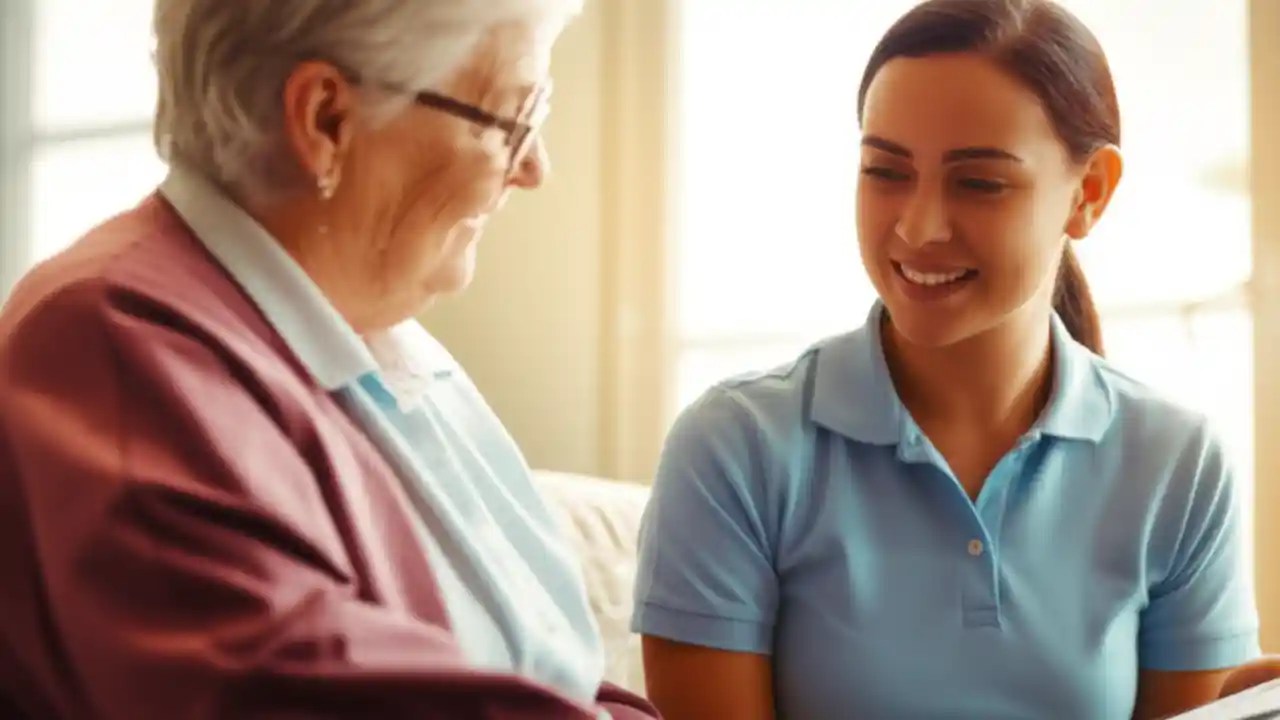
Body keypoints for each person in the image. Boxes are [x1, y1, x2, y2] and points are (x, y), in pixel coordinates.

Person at [0, 2, 658, 719]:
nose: (534, 168)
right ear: (325, 121)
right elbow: (285, 689)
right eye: (511, 117)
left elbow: (560, 672)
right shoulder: (110, 341)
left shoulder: (393, 355)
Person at [631, 1, 1260, 718]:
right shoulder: (736, 450)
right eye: (884, 170)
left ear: (1089, 193)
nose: (919, 226)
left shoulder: (1178, 463)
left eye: (979, 182)